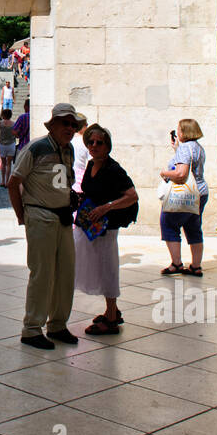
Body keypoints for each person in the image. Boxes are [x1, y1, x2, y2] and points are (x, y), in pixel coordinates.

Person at [8, 102, 84, 348]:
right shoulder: (36, 148)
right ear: (53, 125)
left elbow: (63, 180)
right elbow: (14, 181)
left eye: (73, 124)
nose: (70, 128)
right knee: (42, 273)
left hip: (62, 217)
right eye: (65, 123)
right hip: (40, 216)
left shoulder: (69, 149)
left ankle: (58, 324)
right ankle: (31, 328)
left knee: (65, 273)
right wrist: (22, 215)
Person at [73, 124, 139, 334]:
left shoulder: (114, 169)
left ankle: (110, 316)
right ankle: (113, 310)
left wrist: (106, 208)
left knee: (107, 268)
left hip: (106, 228)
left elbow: (132, 196)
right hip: (90, 226)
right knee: (96, 267)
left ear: (107, 146)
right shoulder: (92, 165)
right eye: (91, 142)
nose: (94, 146)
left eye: (99, 142)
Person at [160, 118, 209, 276]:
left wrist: (165, 173)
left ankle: (176, 263)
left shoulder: (185, 149)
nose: (178, 132)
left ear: (185, 132)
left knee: (168, 223)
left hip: (184, 194)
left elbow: (181, 174)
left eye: (179, 130)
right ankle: (196, 265)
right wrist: (177, 150)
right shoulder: (198, 148)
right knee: (193, 227)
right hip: (200, 192)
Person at [0, 109, 18, 187]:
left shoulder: (0, 123)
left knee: (3, 164)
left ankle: (2, 181)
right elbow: (16, 134)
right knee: (9, 164)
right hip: (11, 144)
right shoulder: (14, 124)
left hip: (2, 145)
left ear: (3, 115)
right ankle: (7, 181)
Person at [71, 116, 90, 192]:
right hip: (80, 179)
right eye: (86, 125)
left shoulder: (66, 140)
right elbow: (91, 162)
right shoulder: (85, 142)